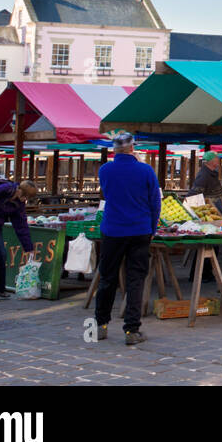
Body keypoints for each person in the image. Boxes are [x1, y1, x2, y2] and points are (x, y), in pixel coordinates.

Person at [95, 134, 160, 345]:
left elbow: (106, 194)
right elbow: (155, 202)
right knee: (135, 280)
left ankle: (100, 325)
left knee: (107, 278)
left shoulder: (104, 170)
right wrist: (152, 228)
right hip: (140, 230)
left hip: (113, 229)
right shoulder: (145, 170)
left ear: (114, 150)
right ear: (133, 147)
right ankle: (132, 330)